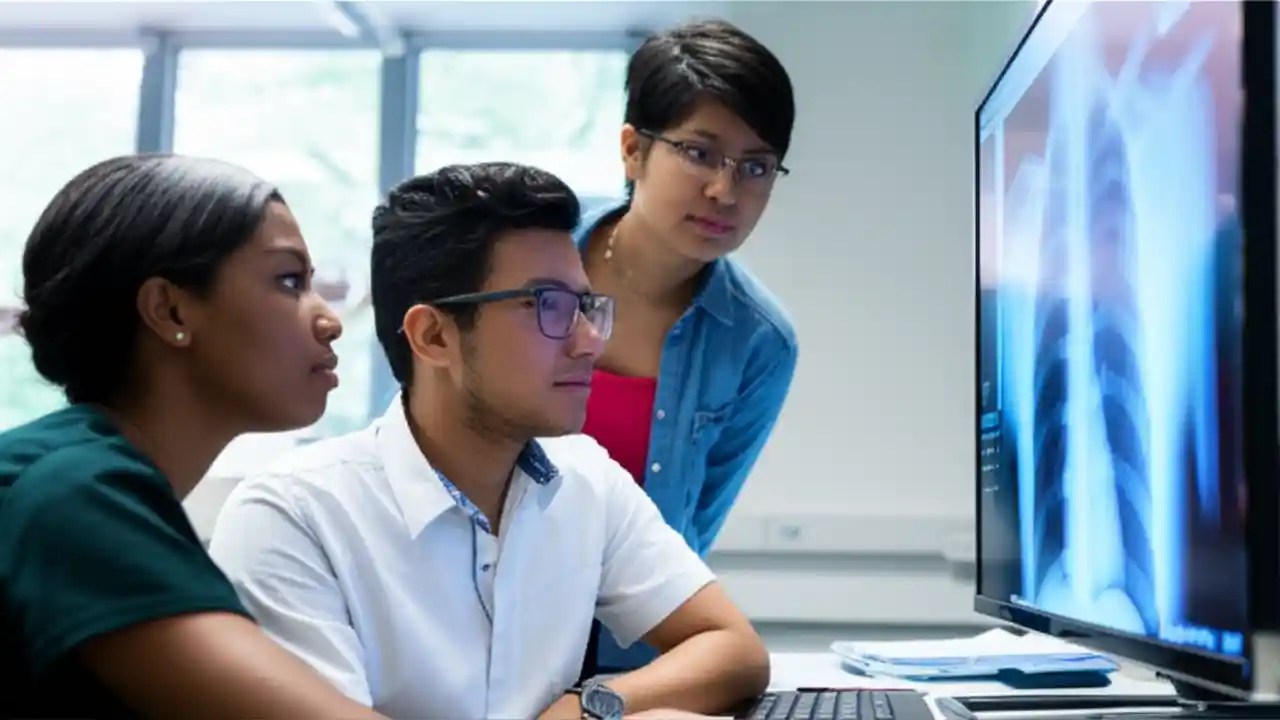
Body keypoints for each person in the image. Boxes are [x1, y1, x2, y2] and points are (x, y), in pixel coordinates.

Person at [208, 162, 770, 720]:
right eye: (548, 305)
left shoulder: (583, 478)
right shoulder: (295, 516)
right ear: (433, 336)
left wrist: (589, 710)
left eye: (585, 306)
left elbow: (732, 649)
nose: (590, 342)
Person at [0, 153, 389, 720]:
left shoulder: (93, 477)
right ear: (169, 308)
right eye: (289, 281)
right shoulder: (73, 491)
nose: (329, 320)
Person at [576, 18, 799, 672]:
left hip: (623, 665)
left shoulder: (760, 343)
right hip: (466, 633)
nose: (725, 192)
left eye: (755, 166)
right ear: (632, 149)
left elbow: (685, 540)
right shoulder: (524, 262)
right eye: (699, 152)